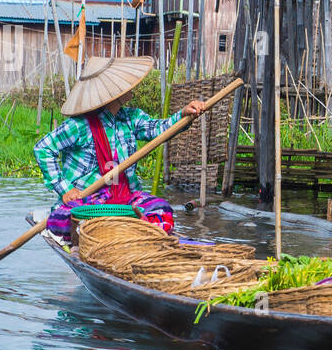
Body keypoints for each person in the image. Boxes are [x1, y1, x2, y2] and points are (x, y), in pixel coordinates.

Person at [34, 54, 206, 238]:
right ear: (112, 94)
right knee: (64, 220)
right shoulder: (79, 125)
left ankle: (130, 234)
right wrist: (65, 189)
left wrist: (183, 115)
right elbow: (43, 149)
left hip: (124, 198)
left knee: (161, 209)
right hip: (88, 200)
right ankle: (109, 231)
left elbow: (158, 129)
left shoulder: (131, 118)